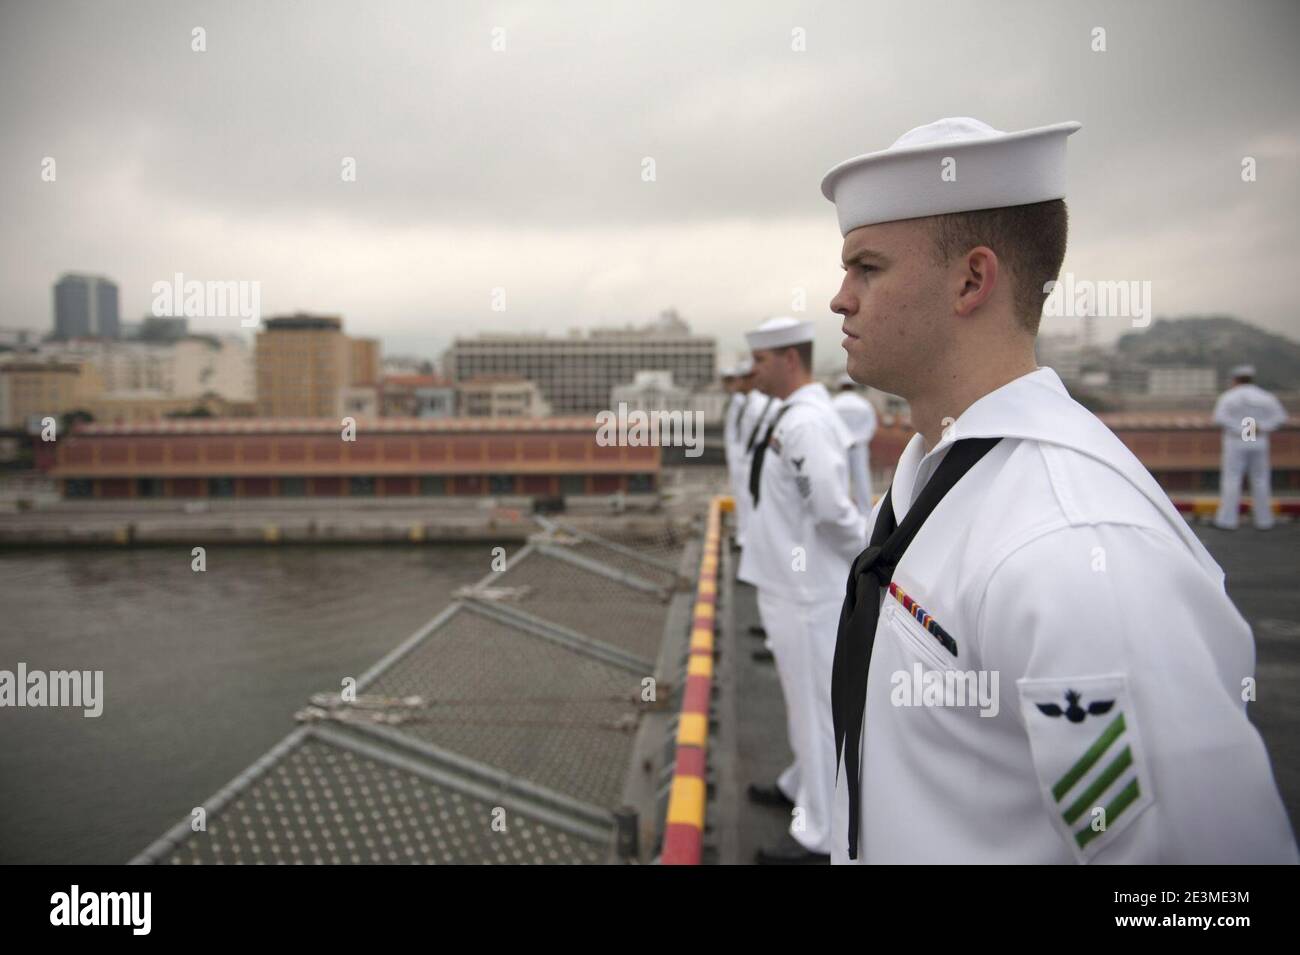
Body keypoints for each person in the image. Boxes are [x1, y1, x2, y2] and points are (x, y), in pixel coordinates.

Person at [820, 116, 1296, 863]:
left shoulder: (1075, 545)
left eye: (867, 268)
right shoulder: (933, 476)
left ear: (972, 280)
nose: (840, 299)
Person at [737, 316, 867, 863]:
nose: (753, 370)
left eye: (761, 361)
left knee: (817, 713)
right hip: (787, 586)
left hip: (808, 593)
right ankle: (800, 786)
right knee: (800, 705)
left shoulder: (807, 423)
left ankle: (820, 835)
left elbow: (834, 512)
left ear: (789, 359)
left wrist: (867, 559)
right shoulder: (792, 415)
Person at [1212, 364, 1288, 531]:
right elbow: (1280, 418)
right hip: (1258, 440)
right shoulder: (1266, 397)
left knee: (1232, 479)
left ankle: (1227, 520)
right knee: (1261, 479)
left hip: (1236, 441)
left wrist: (1243, 429)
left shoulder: (1229, 397)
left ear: (1235, 380)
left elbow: (1219, 418)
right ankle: (1264, 520)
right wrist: (1258, 427)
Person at [831, 373, 877, 514]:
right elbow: (871, 426)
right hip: (859, 447)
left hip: (840, 447)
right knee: (862, 480)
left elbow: (830, 426)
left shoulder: (833, 404)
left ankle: (842, 512)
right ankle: (865, 512)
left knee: (840, 479)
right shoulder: (864, 404)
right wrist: (860, 440)